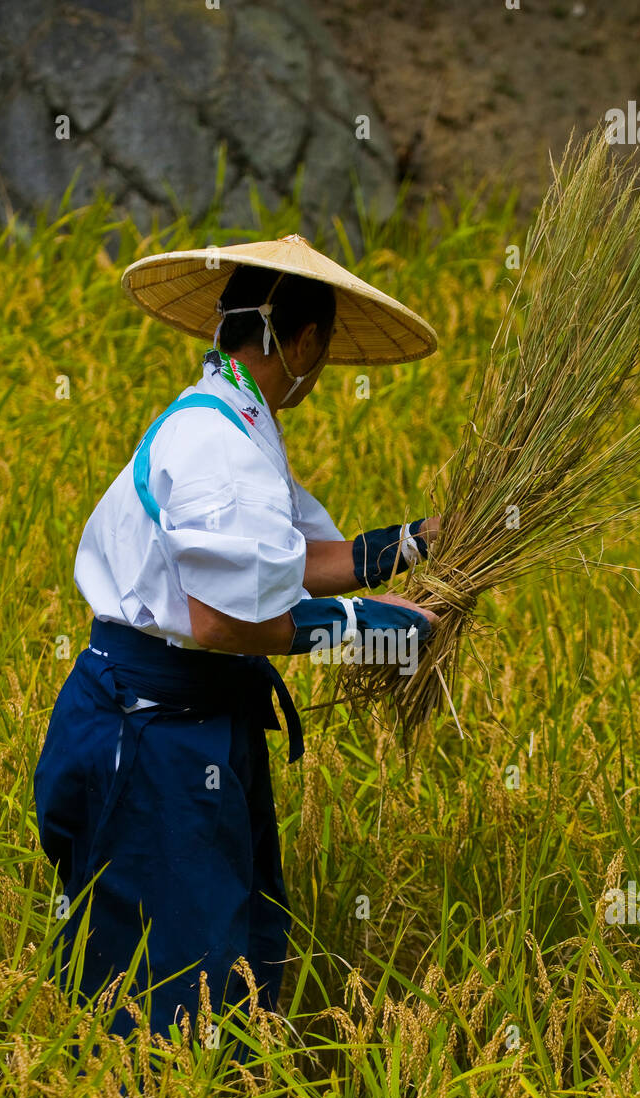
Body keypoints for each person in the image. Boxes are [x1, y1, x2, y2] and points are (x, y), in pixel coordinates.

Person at [34, 234, 440, 1037]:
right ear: (305, 343)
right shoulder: (217, 446)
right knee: (169, 977)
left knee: (233, 938)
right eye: (322, 357)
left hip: (196, 723)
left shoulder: (235, 418)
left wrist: (418, 542)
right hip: (149, 734)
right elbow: (225, 620)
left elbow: (286, 559)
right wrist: (374, 626)